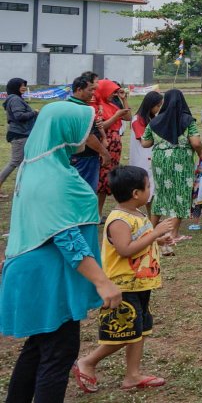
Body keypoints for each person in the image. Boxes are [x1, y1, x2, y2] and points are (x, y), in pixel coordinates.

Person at [0, 101, 124, 401]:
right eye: (85, 128)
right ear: (65, 130)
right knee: (58, 354)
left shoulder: (40, 165)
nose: (89, 134)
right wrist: (102, 281)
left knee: (39, 347)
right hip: (46, 277)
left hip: (36, 271)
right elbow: (66, 237)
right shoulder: (53, 177)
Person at [75, 166, 172, 393]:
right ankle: (87, 362)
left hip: (141, 283)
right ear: (136, 193)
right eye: (148, 186)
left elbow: (140, 240)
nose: (150, 190)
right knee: (121, 334)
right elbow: (125, 249)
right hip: (123, 285)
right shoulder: (119, 219)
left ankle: (132, 375)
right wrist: (155, 233)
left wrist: (158, 241)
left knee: (139, 331)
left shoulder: (138, 214)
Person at [142, 89, 202, 251]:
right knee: (181, 193)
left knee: (161, 193)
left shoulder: (155, 121)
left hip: (160, 161)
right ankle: (174, 232)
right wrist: (201, 154)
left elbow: (145, 143)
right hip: (181, 161)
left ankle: (150, 230)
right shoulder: (187, 120)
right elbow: (196, 142)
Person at [67, 74, 109, 192]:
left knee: (74, 189)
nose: (93, 93)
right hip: (85, 157)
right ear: (79, 90)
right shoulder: (83, 109)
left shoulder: (68, 104)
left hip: (72, 155)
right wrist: (104, 153)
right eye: (90, 90)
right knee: (86, 191)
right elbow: (88, 137)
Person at [1, 77, 37, 198]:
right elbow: (20, 116)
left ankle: (24, 188)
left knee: (22, 162)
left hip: (22, 134)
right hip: (19, 135)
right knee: (15, 162)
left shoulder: (15, 98)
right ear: (15, 86)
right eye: (21, 85)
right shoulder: (15, 99)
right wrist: (35, 113)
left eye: (24, 85)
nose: (24, 88)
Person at [128, 91, 162, 198]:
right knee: (145, 188)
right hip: (141, 158)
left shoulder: (152, 118)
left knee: (151, 189)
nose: (159, 109)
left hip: (150, 156)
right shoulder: (137, 119)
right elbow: (142, 139)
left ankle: (150, 214)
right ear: (150, 105)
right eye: (157, 106)